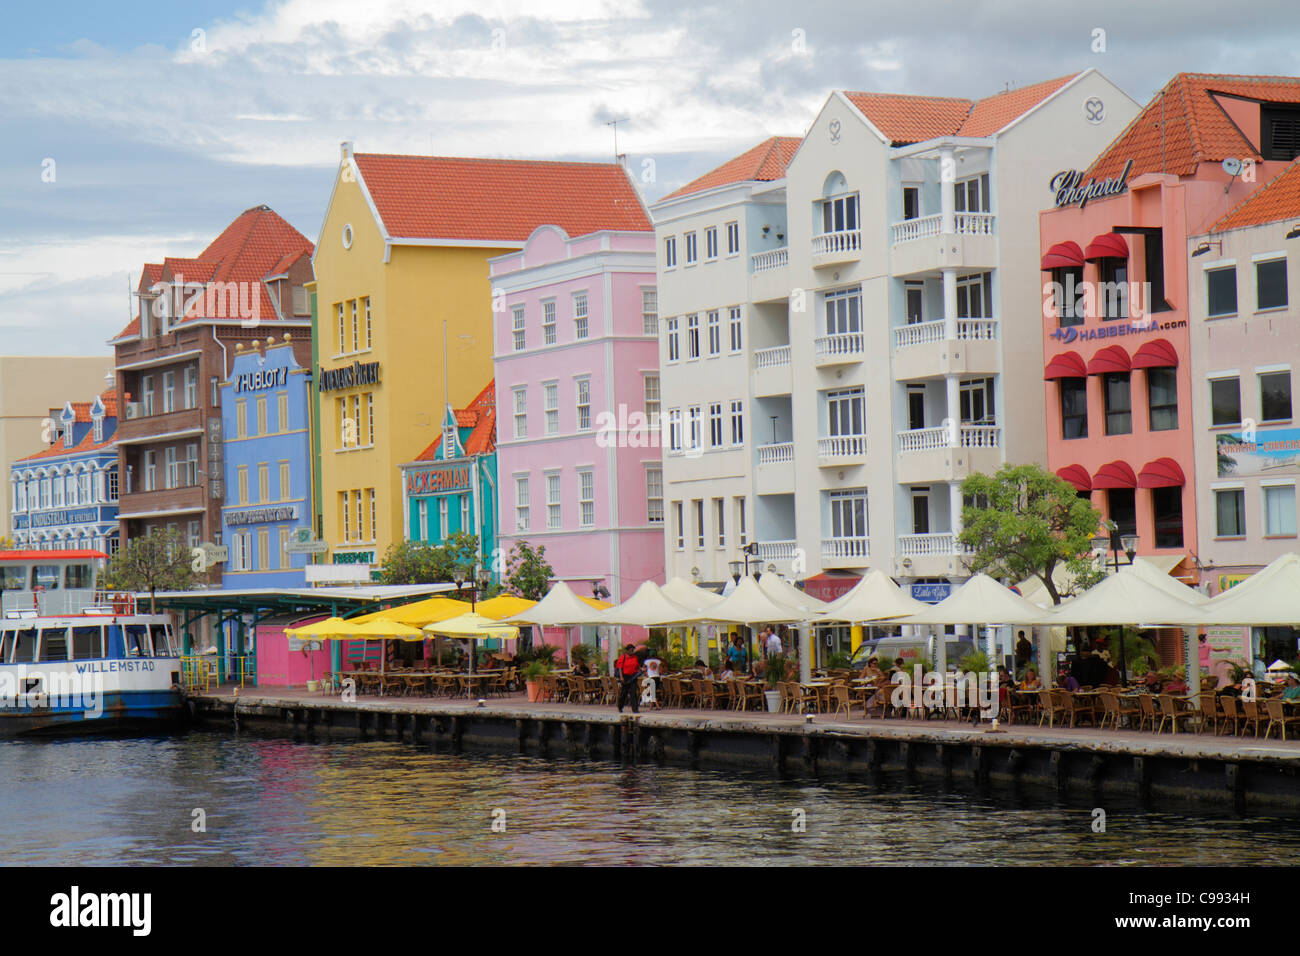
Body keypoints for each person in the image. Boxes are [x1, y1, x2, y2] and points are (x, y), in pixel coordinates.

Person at [615, 643, 642, 713]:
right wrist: (621, 677)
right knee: (624, 693)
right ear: (627, 651)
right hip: (625, 676)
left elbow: (637, 666)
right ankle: (620, 706)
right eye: (630, 650)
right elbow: (620, 668)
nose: (632, 652)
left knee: (633, 693)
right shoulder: (623, 657)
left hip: (633, 676)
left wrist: (641, 670)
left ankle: (635, 709)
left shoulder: (635, 657)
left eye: (633, 650)